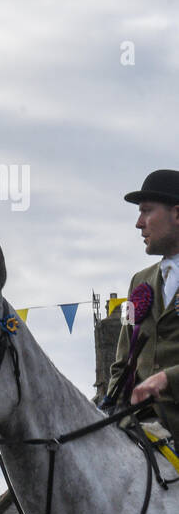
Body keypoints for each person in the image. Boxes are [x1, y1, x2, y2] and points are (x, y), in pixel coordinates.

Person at [107, 169, 179, 430]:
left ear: (177, 214)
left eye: (147, 211)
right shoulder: (138, 282)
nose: (139, 223)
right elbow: (122, 362)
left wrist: (166, 379)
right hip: (137, 426)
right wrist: (107, 404)